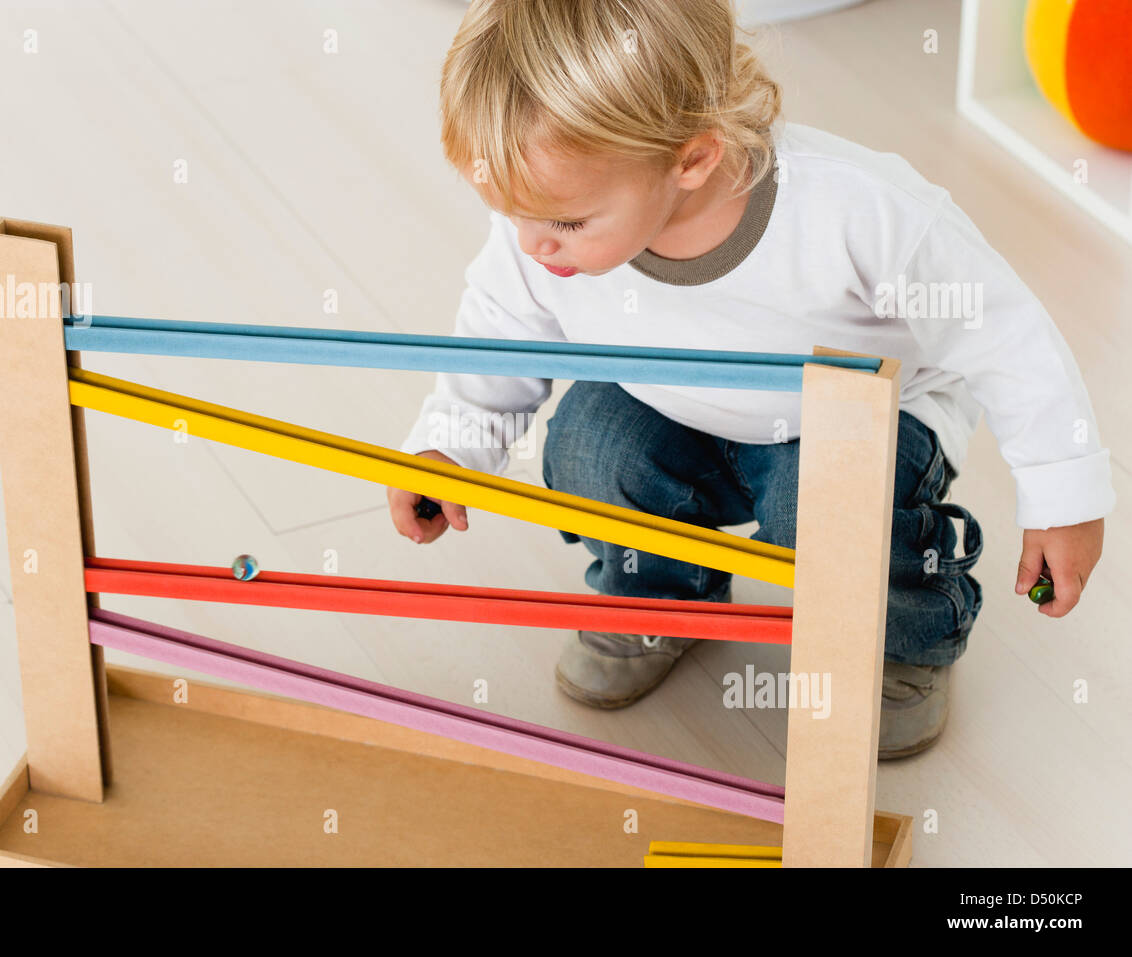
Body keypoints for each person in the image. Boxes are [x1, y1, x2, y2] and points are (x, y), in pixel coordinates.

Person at [386, 0, 1111, 758]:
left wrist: (1063, 494)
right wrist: (450, 445)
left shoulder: (857, 210)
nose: (532, 246)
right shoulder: (546, 226)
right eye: (512, 215)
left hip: (855, 422)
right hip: (673, 408)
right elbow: (500, 331)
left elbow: (1005, 335)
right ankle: (663, 595)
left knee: (821, 499)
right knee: (589, 445)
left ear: (692, 160)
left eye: (564, 224)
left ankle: (904, 638)